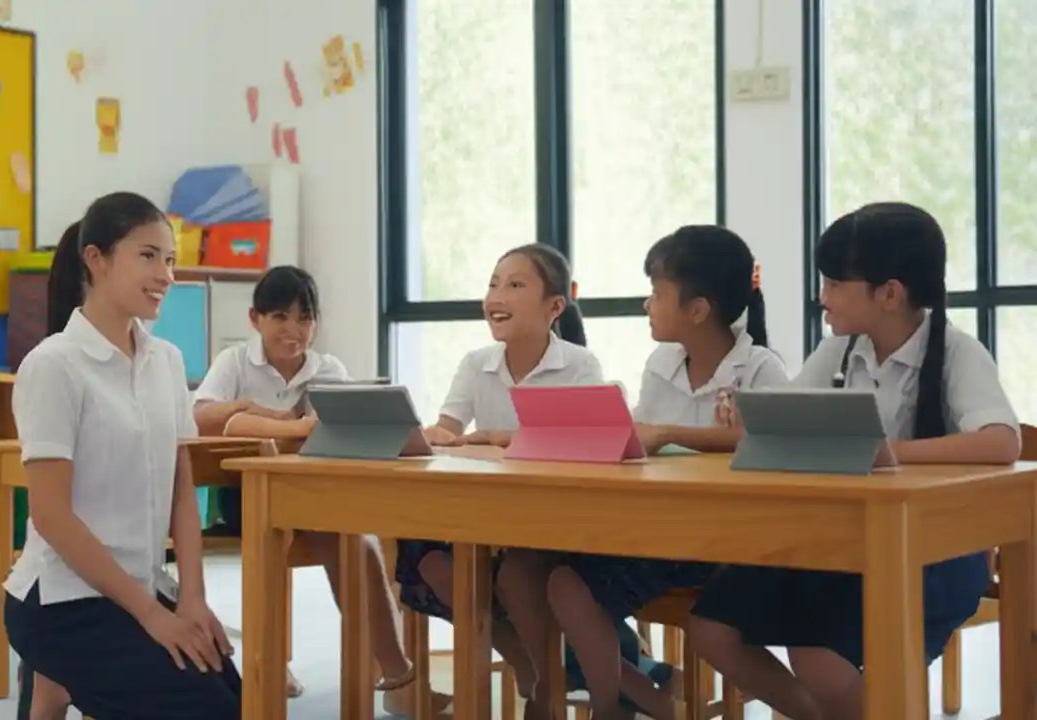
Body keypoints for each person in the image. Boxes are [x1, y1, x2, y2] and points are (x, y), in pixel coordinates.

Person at [688, 202, 1022, 720]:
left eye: (834, 284)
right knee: (711, 629)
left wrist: (892, 454)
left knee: (819, 659)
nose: (821, 297)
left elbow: (1002, 441)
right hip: (836, 541)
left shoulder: (956, 352)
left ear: (889, 293)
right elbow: (789, 417)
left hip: (932, 551)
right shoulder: (838, 352)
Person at [506, 226, 786, 720]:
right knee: (562, 582)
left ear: (697, 310)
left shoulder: (761, 368)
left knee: (556, 575)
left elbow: (773, 442)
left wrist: (674, 434)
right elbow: (647, 441)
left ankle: (630, 701)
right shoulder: (661, 363)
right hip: (657, 534)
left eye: (657, 294)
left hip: (726, 544)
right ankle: (617, 703)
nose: (647, 304)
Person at [5, 193, 240, 720]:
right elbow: (51, 517)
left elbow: (184, 491)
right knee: (205, 711)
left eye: (171, 259)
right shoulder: (53, 366)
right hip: (61, 602)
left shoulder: (167, 362)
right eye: (149, 255)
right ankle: (57, 679)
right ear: (96, 258)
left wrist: (191, 601)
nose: (166, 274)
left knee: (237, 702)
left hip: (142, 588)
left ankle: (60, 687)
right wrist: (153, 619)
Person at [192, 265, 452, 714]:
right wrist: (277, 419)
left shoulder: (327, 368)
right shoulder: (236, 361)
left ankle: (395, 674)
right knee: (347, 538)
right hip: (246, 497)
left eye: (305, 318)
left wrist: (278, 425)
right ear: (255, 319)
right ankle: (392, 675)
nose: (294, 331)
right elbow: (206, 418)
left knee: (356, 541)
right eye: (281, 318)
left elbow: (340, 430)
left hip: (312, 496)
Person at [398, 243, 609, 718]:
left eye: (516, 285)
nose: (498, 295)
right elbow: (447, 431)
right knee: (432, 563)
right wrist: (417, 433)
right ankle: (532, 668)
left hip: (554, 520)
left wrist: (497, 436)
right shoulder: (477, 364)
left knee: (516, 573)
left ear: (555, 307)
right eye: (494, 283)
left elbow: (586, 442)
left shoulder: (579, 366)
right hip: (483, 517)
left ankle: (550, 681)